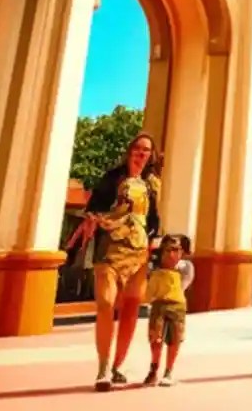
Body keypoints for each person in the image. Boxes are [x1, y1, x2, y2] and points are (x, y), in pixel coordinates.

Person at [85, 132, 162, 391]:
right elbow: (93, 207)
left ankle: (117, 365)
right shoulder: (112, 178)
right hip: (110, 247)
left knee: (131, 306)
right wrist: (102, 221)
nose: (142, 154)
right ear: (130, 151)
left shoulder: (152, 184)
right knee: (106, 302)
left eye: (147, 150)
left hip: (139, 251)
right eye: (138, 149)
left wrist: (153, 242)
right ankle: (103, 366)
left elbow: (154, 220)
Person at [143, 234, 194, 386]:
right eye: (167, 250)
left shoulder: (185, 267)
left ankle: (169, 370)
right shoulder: (155, 267)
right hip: (159, 305)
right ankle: (154, 368)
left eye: (176, 250)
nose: (171, 254)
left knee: (175, 339)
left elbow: (183, 285)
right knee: (156, 339)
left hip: (177, 306)